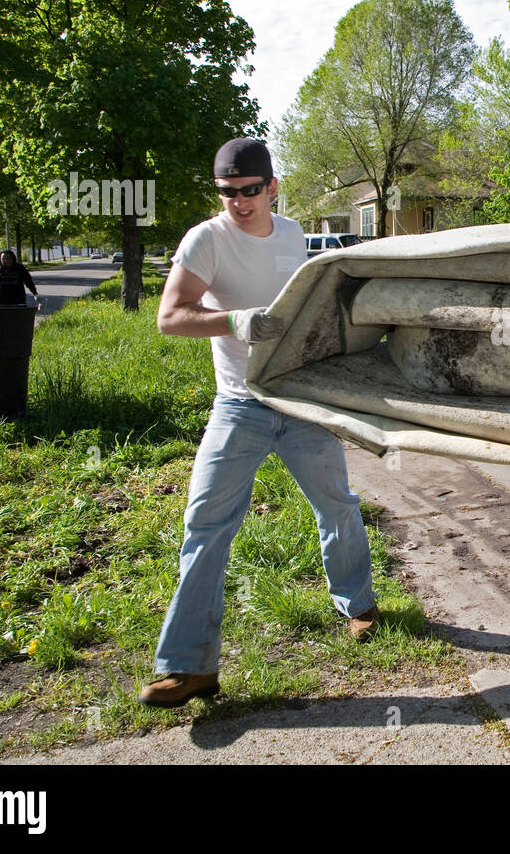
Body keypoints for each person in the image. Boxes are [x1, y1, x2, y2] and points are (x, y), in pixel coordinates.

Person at [139, 137, 378, 708]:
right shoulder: (205, 240)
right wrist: (236, 321)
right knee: (205, 523)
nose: (240, 203)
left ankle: (358, 603)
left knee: (338, 504)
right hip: (239, 404)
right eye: (228, 193)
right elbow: (170, 318)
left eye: (250, 190)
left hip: (299, 400)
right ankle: (189, 666)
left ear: (272, 187)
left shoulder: (295, 235)